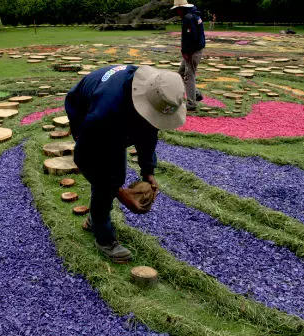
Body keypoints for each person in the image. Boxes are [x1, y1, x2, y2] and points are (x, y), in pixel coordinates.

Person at [65, 65, 186, 263]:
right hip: (83, 110)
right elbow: (84, 158)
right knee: (109, 173)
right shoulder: (104, 114)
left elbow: (148, 132)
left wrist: (148, 171)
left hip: (115, 110)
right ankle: (103, 237)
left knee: (115, 171)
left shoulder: (157, 89)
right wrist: (120, 193)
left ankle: (96, 218)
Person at [171, 0, 205, 111]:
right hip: (196, 49)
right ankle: (196, 94)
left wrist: (186, 53)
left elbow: (190, 38)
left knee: (189, 76)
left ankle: (191, 103)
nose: (177, 12)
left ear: (181, 8)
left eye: (177, 10)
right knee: (181, 72)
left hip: (192, 52)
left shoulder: (188, 18)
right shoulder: (195, 15)